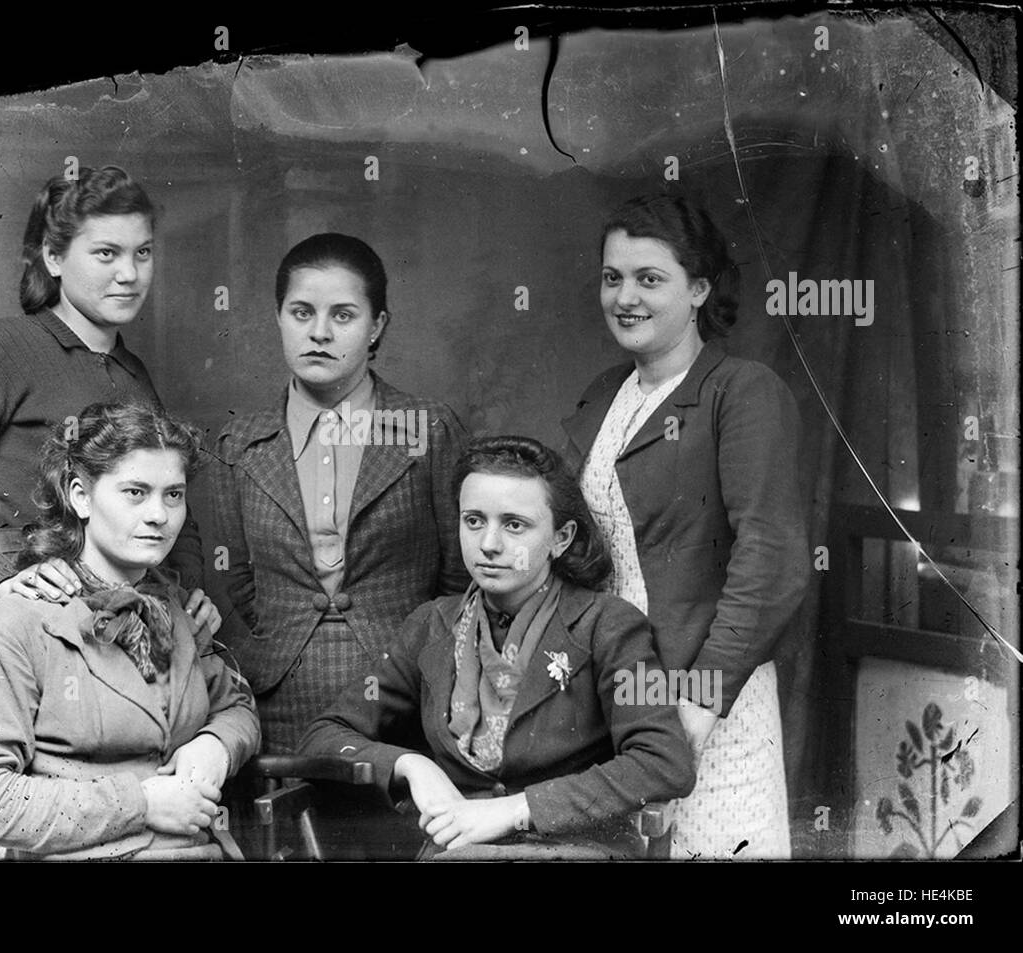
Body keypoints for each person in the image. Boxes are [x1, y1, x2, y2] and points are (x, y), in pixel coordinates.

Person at [299, 436, 695, 857]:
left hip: (575, 848)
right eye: (473, 521)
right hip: (458, 851)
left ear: (561, 538)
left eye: (514, 525)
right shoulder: (431, 626)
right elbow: (325, 733)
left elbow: (662, 760)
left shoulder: (607, 625)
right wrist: (411, 766)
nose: (489, 543)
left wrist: (517, 810)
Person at [562, 193, 809, 859]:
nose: (626, 297)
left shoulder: (741, 391)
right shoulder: (603, 395)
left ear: (699, 288)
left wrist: (696, 709)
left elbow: (773, 560)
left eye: (651, 278)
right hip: (610, 693)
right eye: (614, 277)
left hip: (708, 697)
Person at [0, 401, 259, 860]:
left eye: (173, 494)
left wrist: (217, 746)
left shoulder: (176, 608)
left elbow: (237, 707)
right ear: (80, 496)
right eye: (136, 492)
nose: (159, 514)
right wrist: (142, 803)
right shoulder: (16, 624)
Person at [0, 165, 209, 625]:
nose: (129, 273)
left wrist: (184, 595)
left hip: (137, 622)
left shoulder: (137, 376)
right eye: (107, 253)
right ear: (52, 257)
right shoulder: (4, 349)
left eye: (142, 253)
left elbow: (174, 507)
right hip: (43, 619)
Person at [209, 233, 471, 754]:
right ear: (278, 318)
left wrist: (417, 659)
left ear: (377, 326)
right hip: (278, 697)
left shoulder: (428, 430)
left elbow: (459, 576)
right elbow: (235, 579)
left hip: (406, 696)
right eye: (301, 312)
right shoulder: (238, 444)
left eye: (344, 316)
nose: (319, 333)